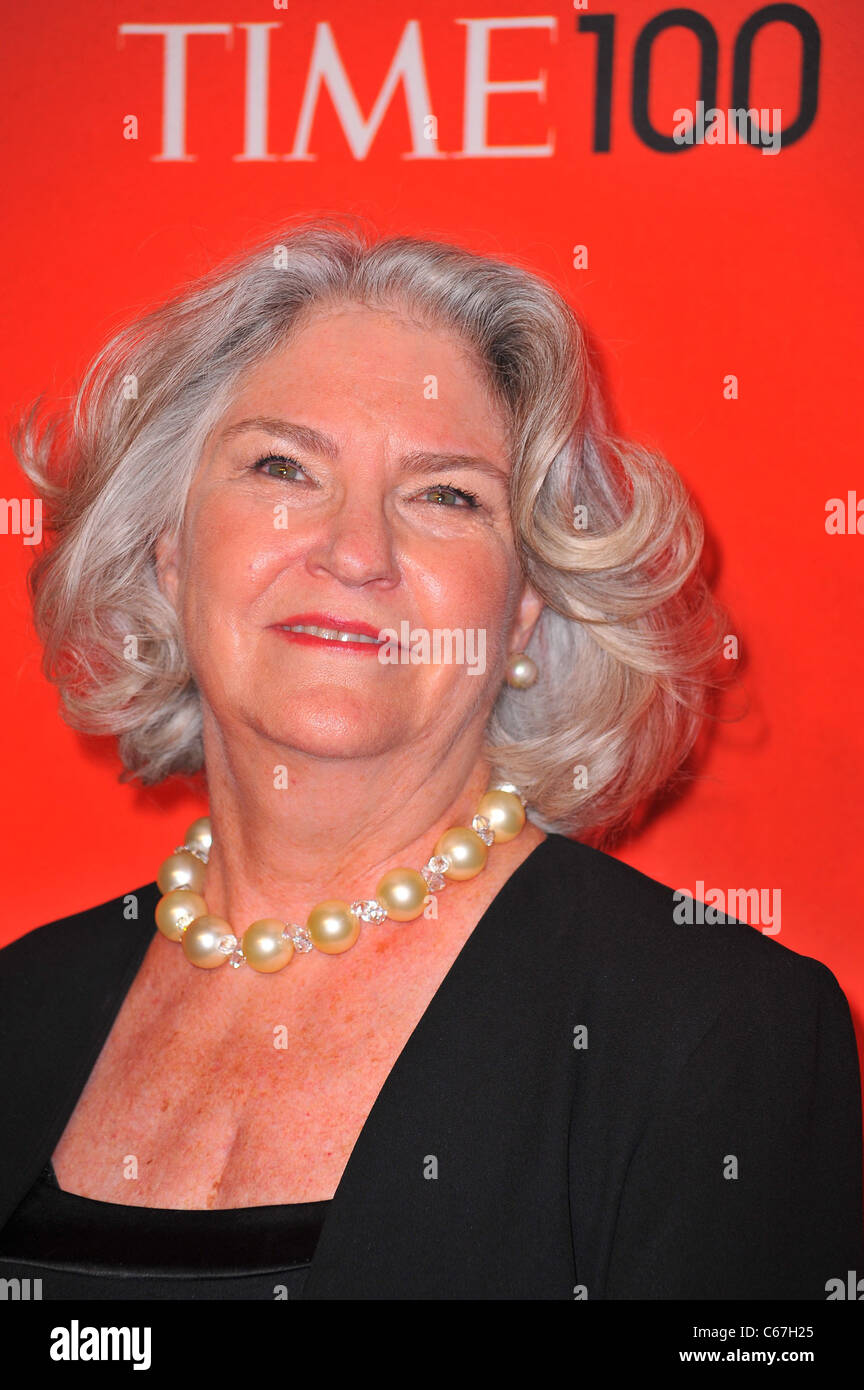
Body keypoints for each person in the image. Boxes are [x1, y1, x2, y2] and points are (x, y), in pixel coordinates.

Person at [0, 218, 860, 1300]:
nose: (356, 551)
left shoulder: (717, 1035)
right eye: (284, 466)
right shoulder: (19, 1006)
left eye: (446, 494)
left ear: (523, 606)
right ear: (168, 553)